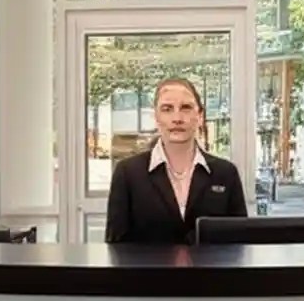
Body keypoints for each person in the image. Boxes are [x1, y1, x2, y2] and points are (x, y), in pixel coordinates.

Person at [104, 77, 247, 244]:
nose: (177, 118)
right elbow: (115, 246)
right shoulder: (127, 173)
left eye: (186, 108)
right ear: (156, 117)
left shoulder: (226, 173)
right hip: (147, 271)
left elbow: (239, 244)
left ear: (200, 116)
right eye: (167, 109)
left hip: (210, 271)